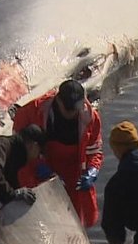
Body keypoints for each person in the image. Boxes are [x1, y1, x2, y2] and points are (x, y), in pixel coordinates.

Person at [12, 79, 103, 227]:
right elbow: (18, 146)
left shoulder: (91, 119)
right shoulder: (32, 112)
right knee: (40, 216)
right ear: (58, 100)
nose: (70, 113)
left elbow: (95, 150)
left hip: (74, 171)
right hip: (40, 167)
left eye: (74, 109)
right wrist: (39, 167)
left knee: (77, 220)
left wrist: (93, 170)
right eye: (67, 109)